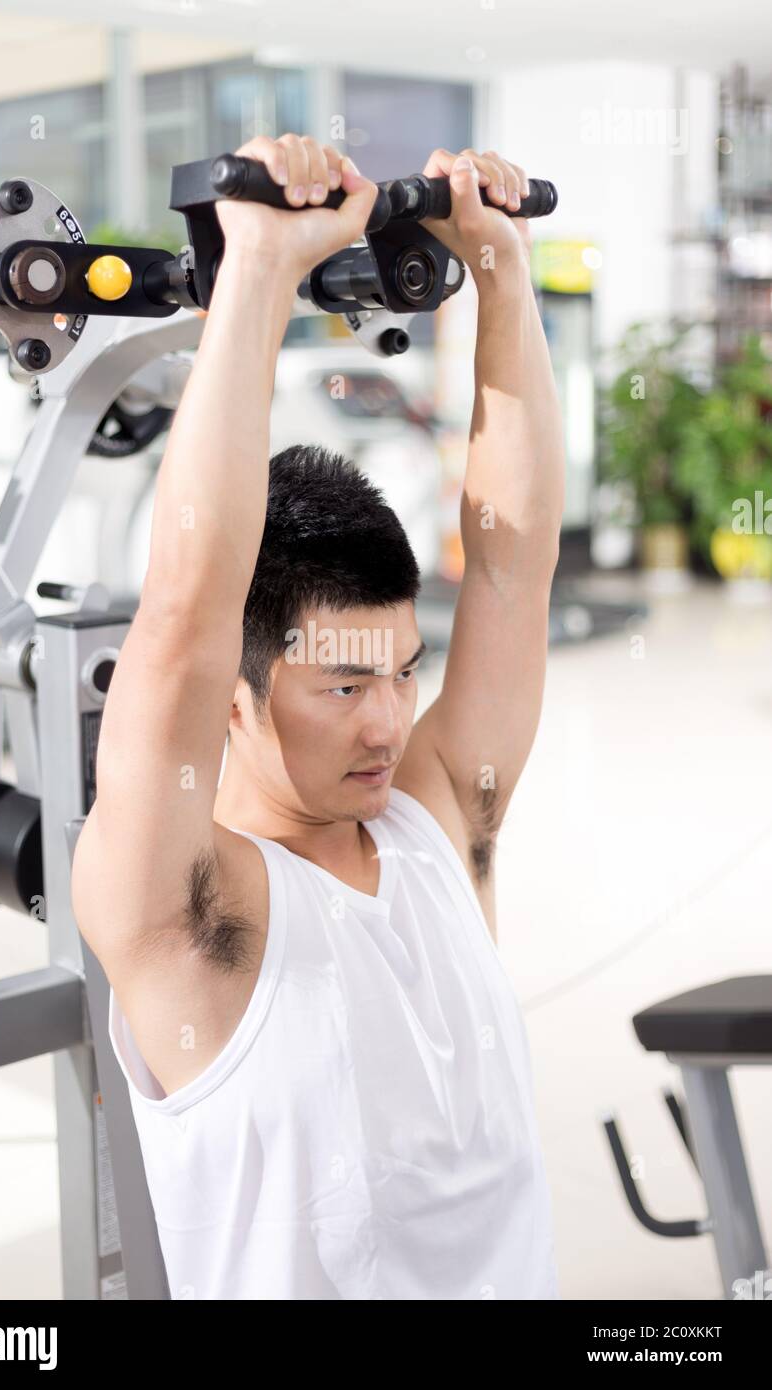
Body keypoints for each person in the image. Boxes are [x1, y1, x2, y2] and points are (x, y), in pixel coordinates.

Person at [71, 133, 566, 1300]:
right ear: (235, 701)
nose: (389, 721)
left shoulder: (439, 823)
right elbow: (184, 619)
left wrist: (498, 266)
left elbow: (511, 568)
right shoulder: (189, 913)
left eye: (401, 671)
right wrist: (256, 267)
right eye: (343, 687)